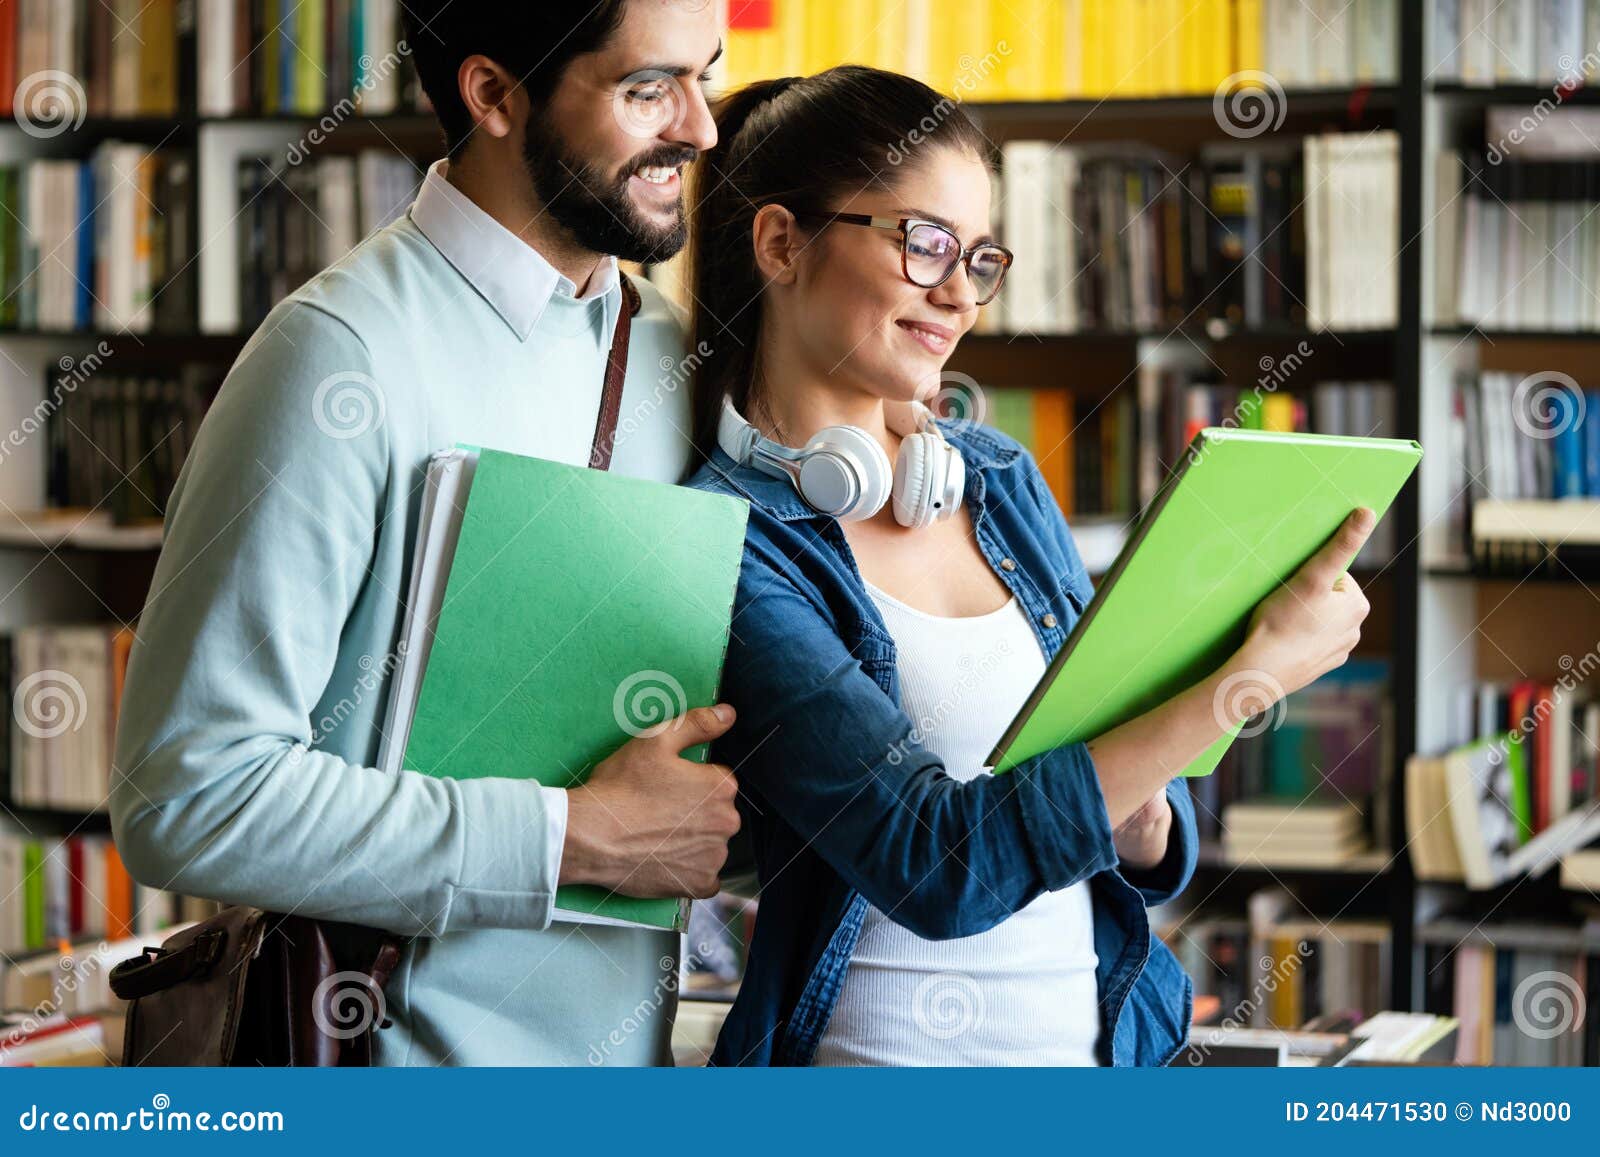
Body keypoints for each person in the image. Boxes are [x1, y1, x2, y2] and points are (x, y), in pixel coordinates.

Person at [685, 66, 1377, 1067]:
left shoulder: (996, 476)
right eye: (923, 243)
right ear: (782, 241)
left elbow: (1145, 817)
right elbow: (934, 861)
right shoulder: (730, 538)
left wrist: (1141, 810)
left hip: (1101, 1056)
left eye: (979, 256)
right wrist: (1239, 684)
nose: (960, 292)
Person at [110, 2, 737, 1066]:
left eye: (707, 81)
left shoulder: (680, 360)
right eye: (649, 88)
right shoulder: (337, 356)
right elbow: (188, 792)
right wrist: (571, 835)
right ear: (492, 95)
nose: (700, 129)